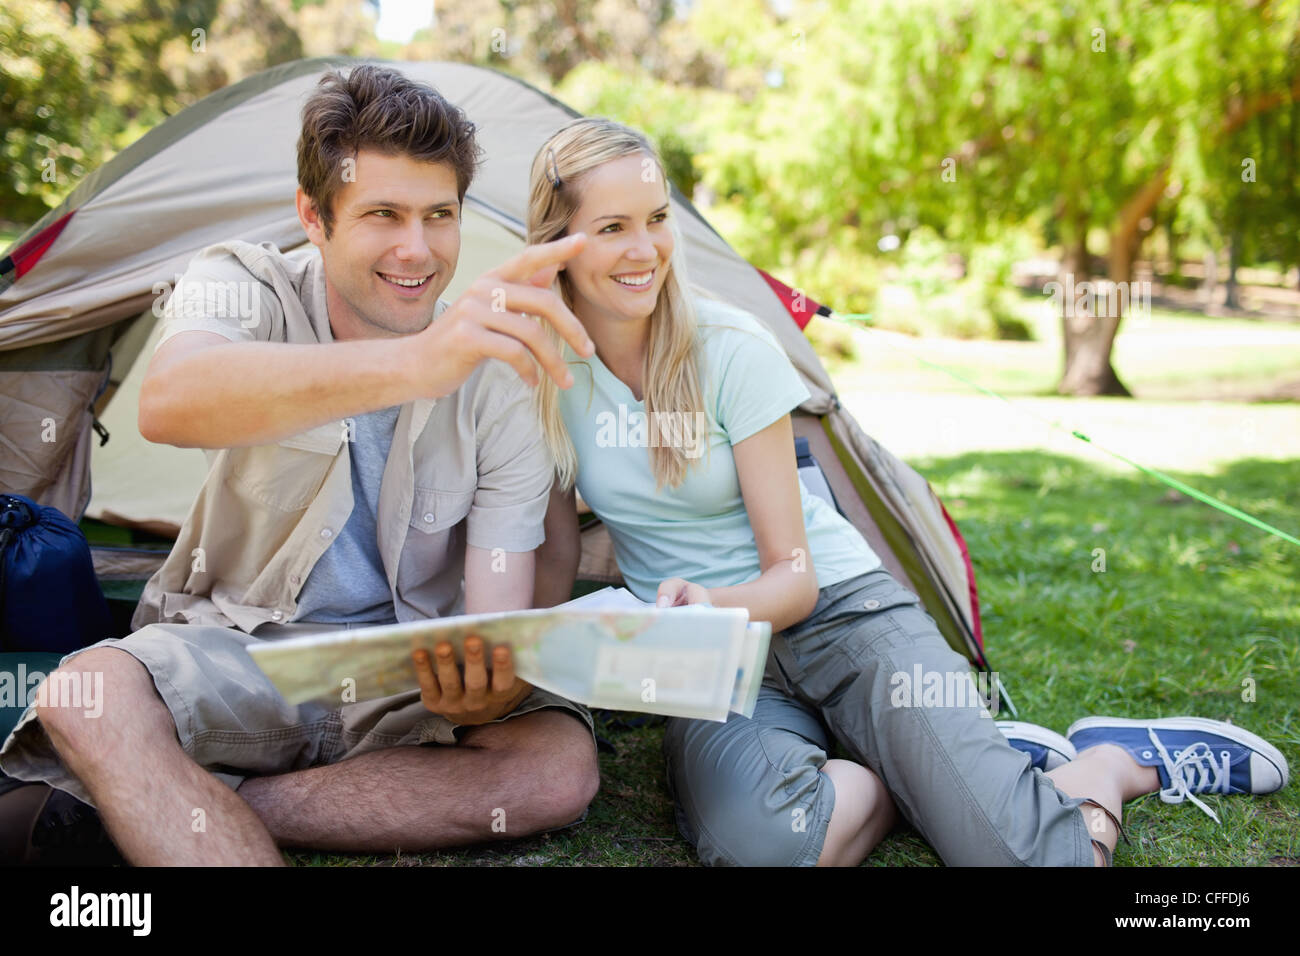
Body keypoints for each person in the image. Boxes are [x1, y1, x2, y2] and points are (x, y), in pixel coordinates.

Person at [525, 117, 1290, 867]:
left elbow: (794, 582)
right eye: (611, 226)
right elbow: (556, 551)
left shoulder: (729, 350)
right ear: (556, 241)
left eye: (657, 219)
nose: (644, 249)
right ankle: (922, 770)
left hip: (839, 614)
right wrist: (543, 656)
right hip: (713, 666)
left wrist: (711, 602)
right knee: (757, 846)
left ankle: (1110, 767)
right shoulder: (542, 375)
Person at [0, 65, 603, 866]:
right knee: (88, 696)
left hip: (407, 671)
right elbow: (173, 400)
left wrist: (488, 672)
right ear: (314, 217)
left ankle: (185, 803)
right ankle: (174, 791)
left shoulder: (501, 372)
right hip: (238, 651)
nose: (416, 250)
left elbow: (493, 599)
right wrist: (417, 363)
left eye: (439, 215)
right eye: (383, 214)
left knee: (556, 771)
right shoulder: (241, 285)